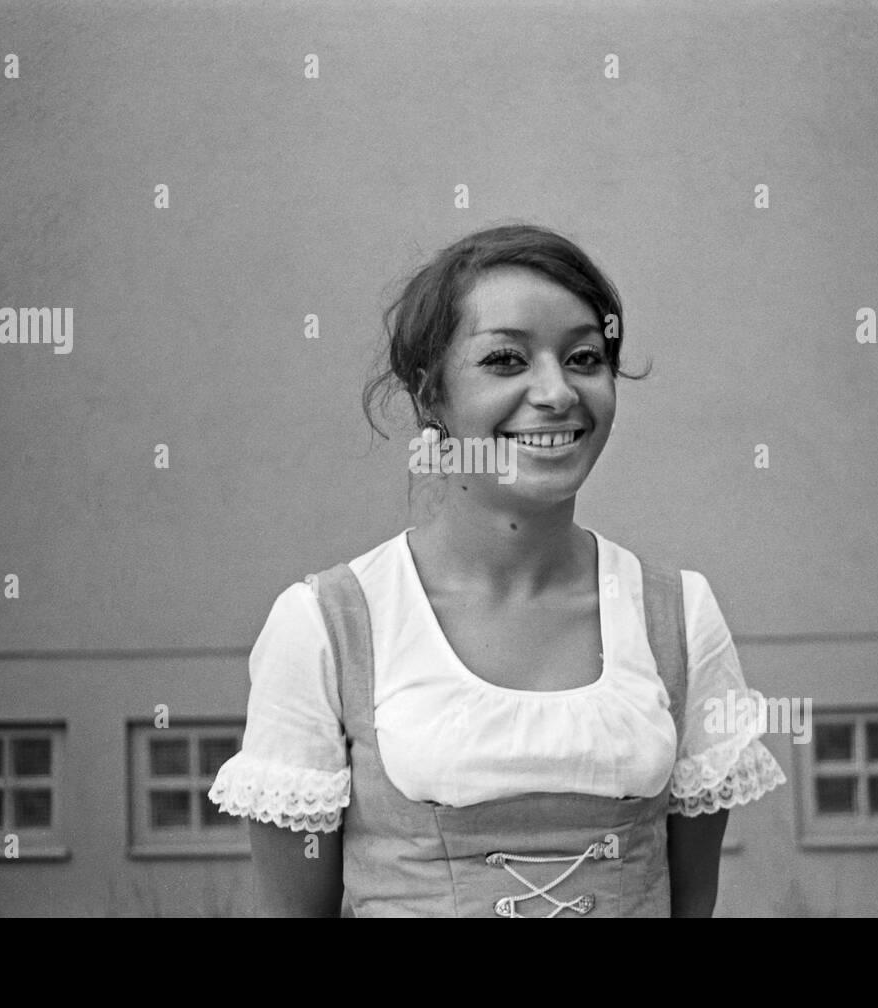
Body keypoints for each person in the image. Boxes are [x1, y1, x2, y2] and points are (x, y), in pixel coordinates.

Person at [209, 223, 785, 917]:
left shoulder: (678, 616)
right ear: (429, 396)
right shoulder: (327, 627)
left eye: (584, 357)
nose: (556, 393)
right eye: (507, 360)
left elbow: (692, 906)